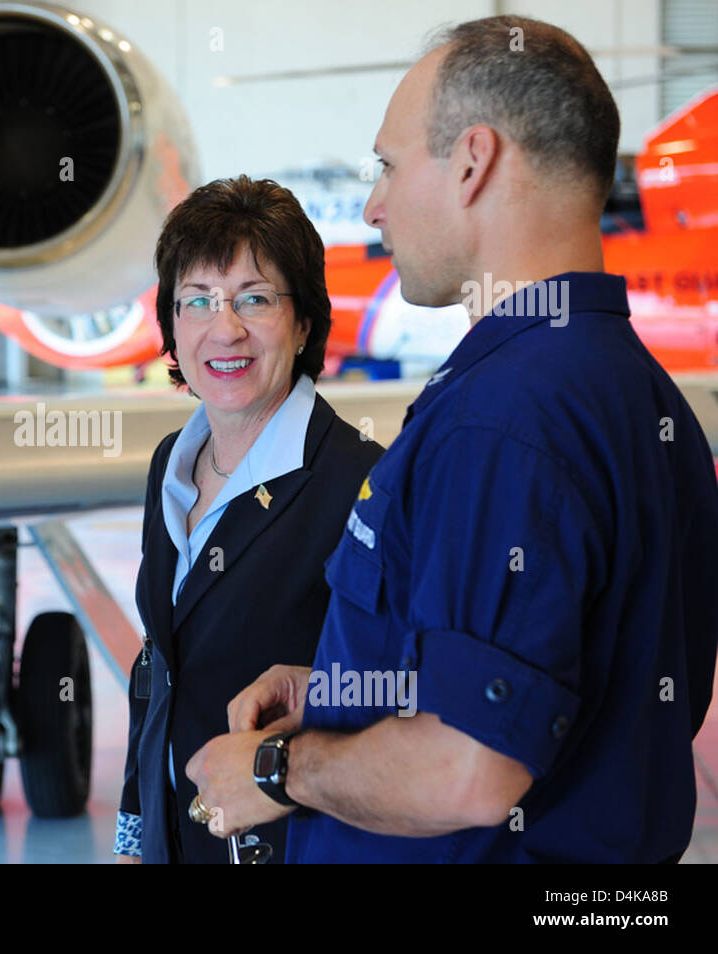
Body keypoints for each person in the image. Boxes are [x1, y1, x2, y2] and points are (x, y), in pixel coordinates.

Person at [186, 16, 718, 862]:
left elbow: (472, 770)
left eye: (390, 167)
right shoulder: (640, 395)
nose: (374, 204)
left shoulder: (503, 419)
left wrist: (278, 766)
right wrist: (341, 693)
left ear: (473, 162)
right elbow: (597, 696)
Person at [114, 176, 383, 863]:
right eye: (197, 300)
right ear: (172, 326)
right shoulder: (171, 465)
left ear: (303, 321)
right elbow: (158, 674)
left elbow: (402, 690)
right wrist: (134, 835)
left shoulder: (362, 483)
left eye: (254, 299)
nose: (223, 327)